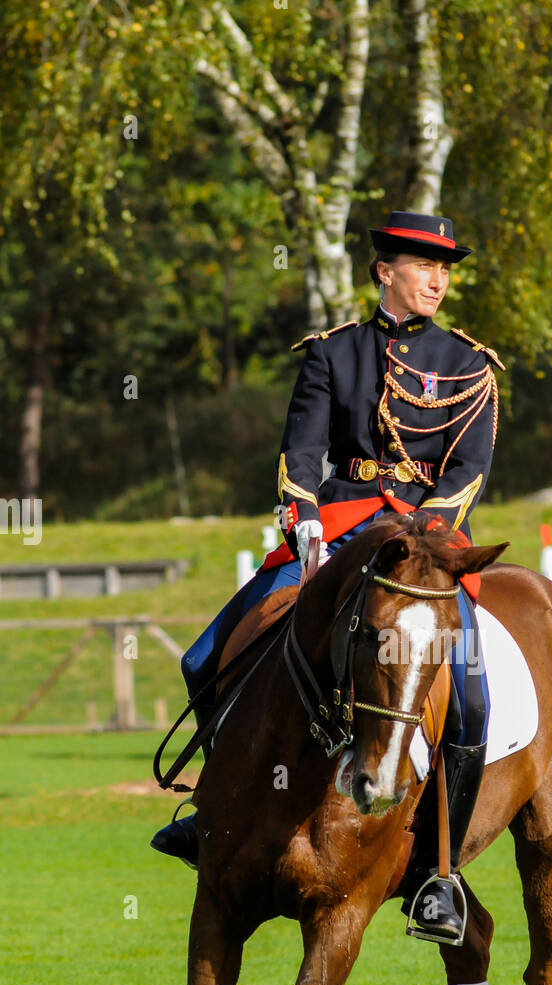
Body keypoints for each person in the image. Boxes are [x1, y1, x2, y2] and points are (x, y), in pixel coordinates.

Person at [151, 209, 504, 941]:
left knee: (468, 697)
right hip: (338, 533)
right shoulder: (332, 353)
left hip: (428, 545)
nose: (437, 279)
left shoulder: (468, 364)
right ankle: (210, 817)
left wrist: (424, 532)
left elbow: (468, 469)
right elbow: (300, 452)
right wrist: (303, 517)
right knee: (203, 656)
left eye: (444, 269)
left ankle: (438, 874)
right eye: (421, 266)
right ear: (385, 272)